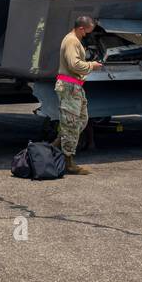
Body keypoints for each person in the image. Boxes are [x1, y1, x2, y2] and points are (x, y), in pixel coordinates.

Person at [54, 16, 102, 175]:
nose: (88, 34)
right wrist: (91, 66)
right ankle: (68, 162)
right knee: (71, 123)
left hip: (74, 87)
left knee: (81, 120)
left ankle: (54, 147)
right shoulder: (72, 41)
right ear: (81, 28)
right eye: (88, 31)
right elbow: (74, 64)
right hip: (69, 87)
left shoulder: (73, 40)